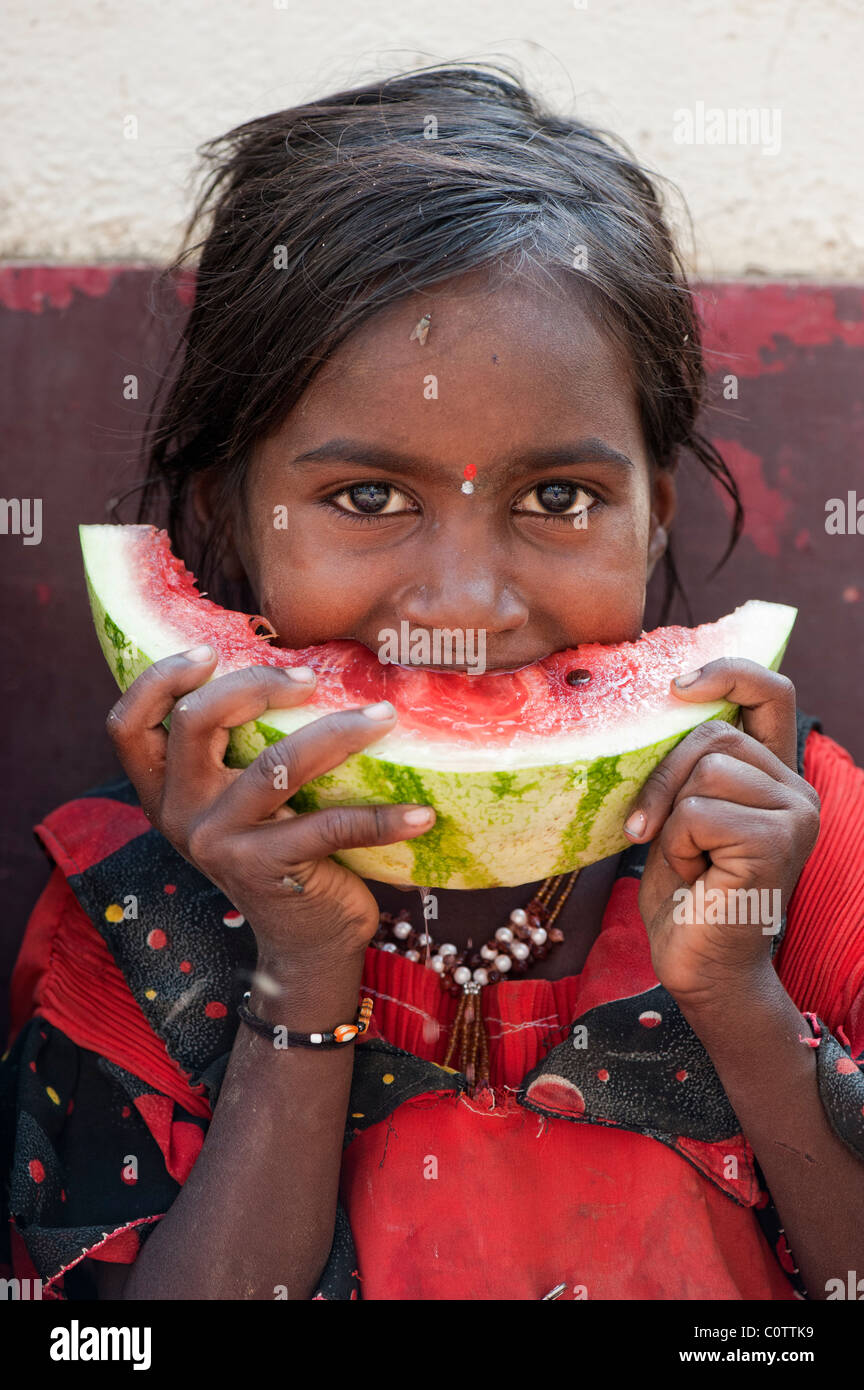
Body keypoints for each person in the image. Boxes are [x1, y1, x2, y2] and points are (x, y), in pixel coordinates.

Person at [2, 63, 863, 1302]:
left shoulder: (805, 841)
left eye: (558, 498)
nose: (465, 606)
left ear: (652, 519)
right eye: (368, 498)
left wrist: (737, 989)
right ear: (227, 517)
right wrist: (297, 974)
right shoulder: (138, 915)